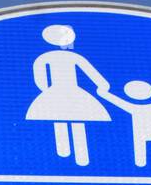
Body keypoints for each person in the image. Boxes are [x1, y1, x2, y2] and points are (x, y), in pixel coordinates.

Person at [25, 24, 111, 166]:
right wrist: (102, 85)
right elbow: (92, 73)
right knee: (74, 120)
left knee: (64, 119)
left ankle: (68, 154)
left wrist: (47, 91)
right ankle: (74, 157)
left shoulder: (47, 57)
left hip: (58, 92)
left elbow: (40, 78)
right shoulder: (64, 56)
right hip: (69, 92)